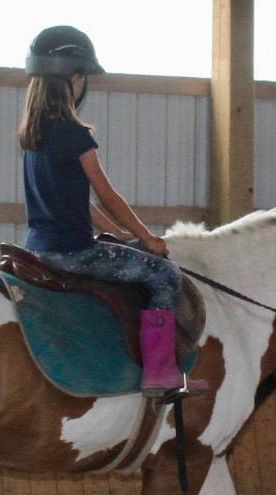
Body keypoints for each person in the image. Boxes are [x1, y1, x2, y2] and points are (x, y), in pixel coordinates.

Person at [17, 25, 183, 395]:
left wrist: (120, 235)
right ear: (73, 79)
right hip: (75, 254)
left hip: (38, 250)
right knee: (165, 275)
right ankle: (159, 372)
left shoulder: (34, 134)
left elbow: (77, 199)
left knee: (135, 256)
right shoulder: (76, 135)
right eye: (82, 77)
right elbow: (107, 195)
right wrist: (148, 238)